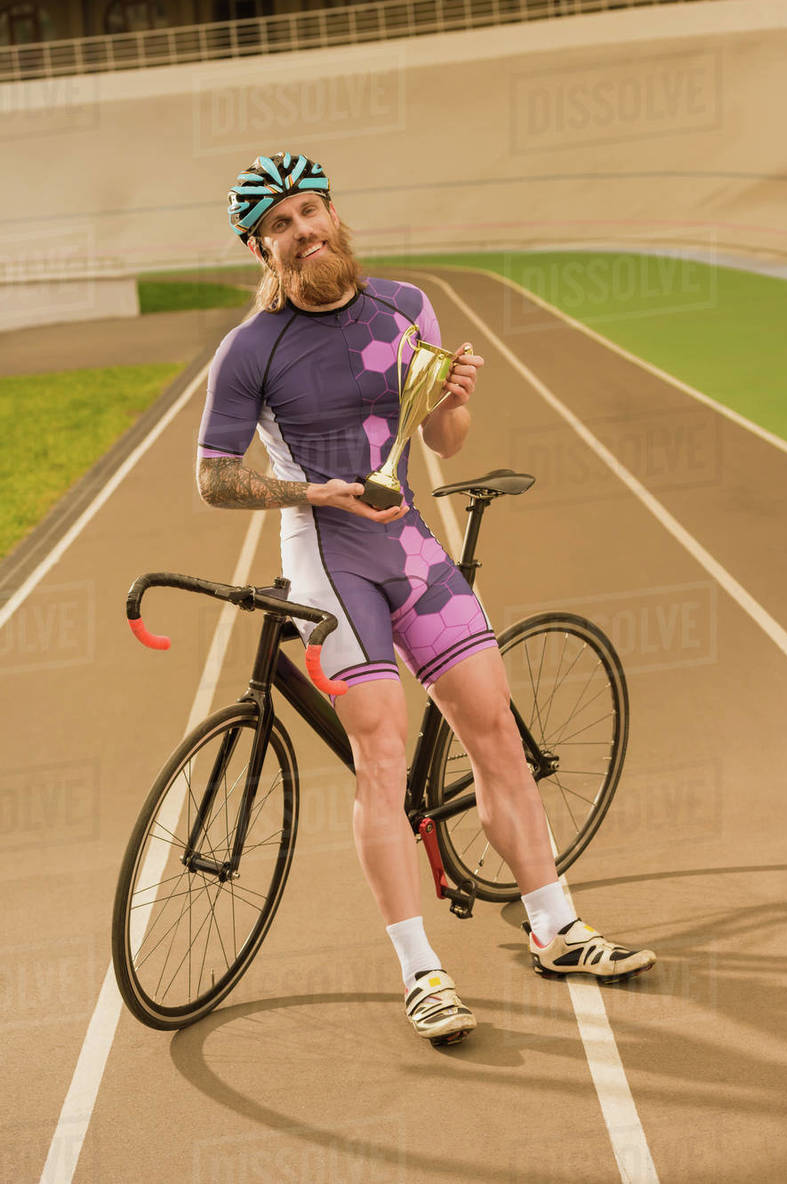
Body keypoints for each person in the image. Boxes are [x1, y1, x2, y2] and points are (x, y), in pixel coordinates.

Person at [197, 152, 656, 1044]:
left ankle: (556, 926)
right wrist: (308, 493)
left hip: (409, 546)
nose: (305, 231)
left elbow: (442, 433)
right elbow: (215, 481)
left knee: (493, 728)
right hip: (327, 555)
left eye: (312, 212)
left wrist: (456, 400)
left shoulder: (404, 307)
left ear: (334, 215)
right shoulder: (249, 350)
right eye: (282, 225)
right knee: (379, 747)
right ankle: (422, 973)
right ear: (262, 251)